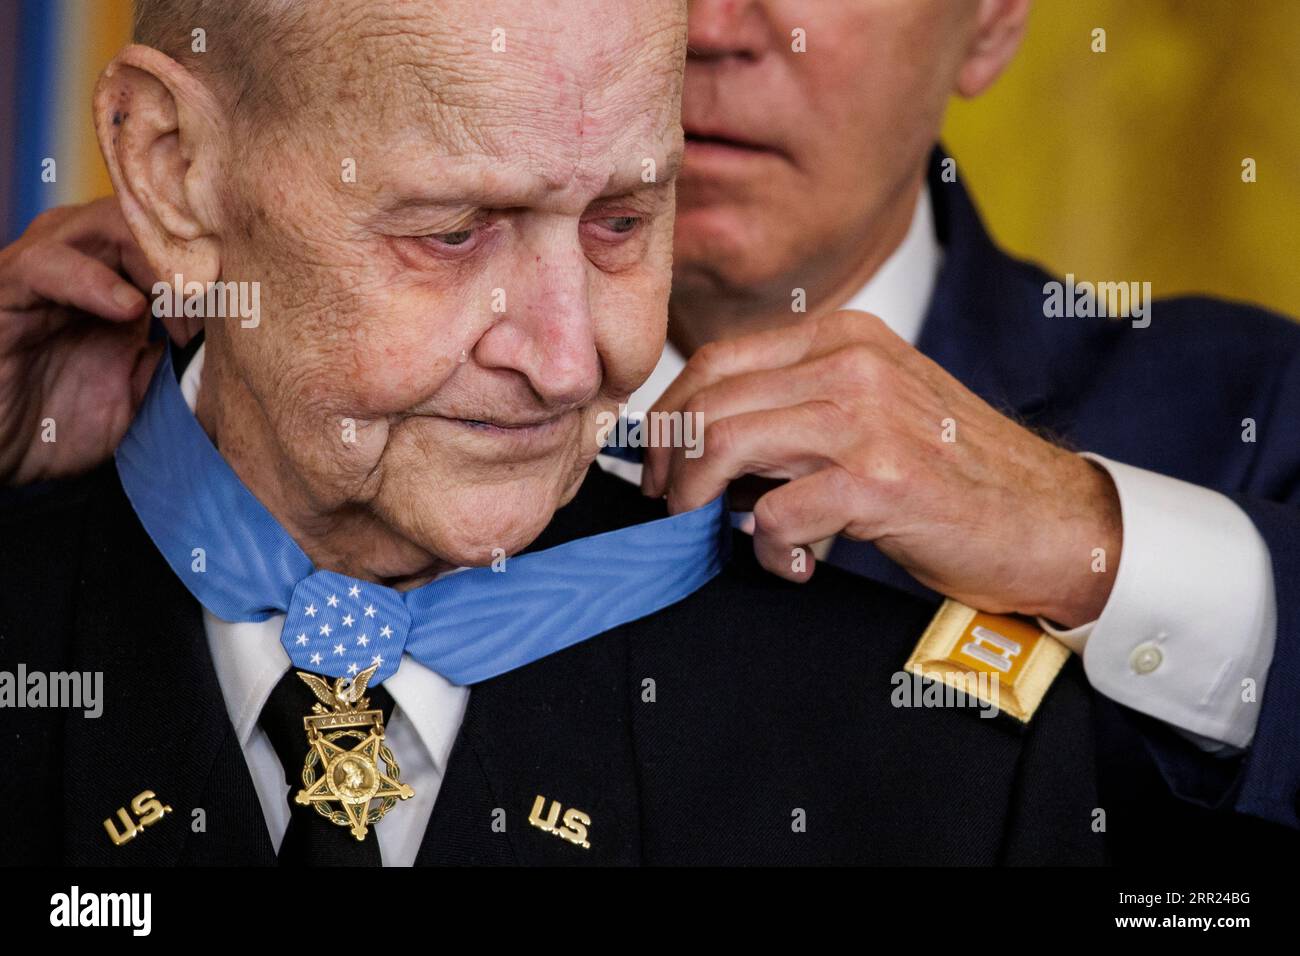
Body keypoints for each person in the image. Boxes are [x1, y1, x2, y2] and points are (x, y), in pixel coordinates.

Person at [0, 0, 1112, 867]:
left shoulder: (936, 768)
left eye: (621, 223)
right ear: (171, 167)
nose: (572, 361)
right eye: (450, 232)